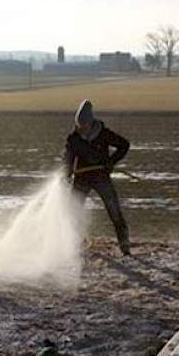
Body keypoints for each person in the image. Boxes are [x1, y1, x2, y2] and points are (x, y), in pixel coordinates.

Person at [63, 99, 131, 256]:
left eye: (85, 125)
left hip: (101, 177)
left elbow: (124, 145)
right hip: (81, 179)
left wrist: (111, 162)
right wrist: (67, 173)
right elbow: (68, 158)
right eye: (79, 126)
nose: (82, 129)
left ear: (91, 122)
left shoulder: (103, 134)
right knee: (73, 212)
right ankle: (75, 245)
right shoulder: (73, 139)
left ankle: (124, 245)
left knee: (114, 211)